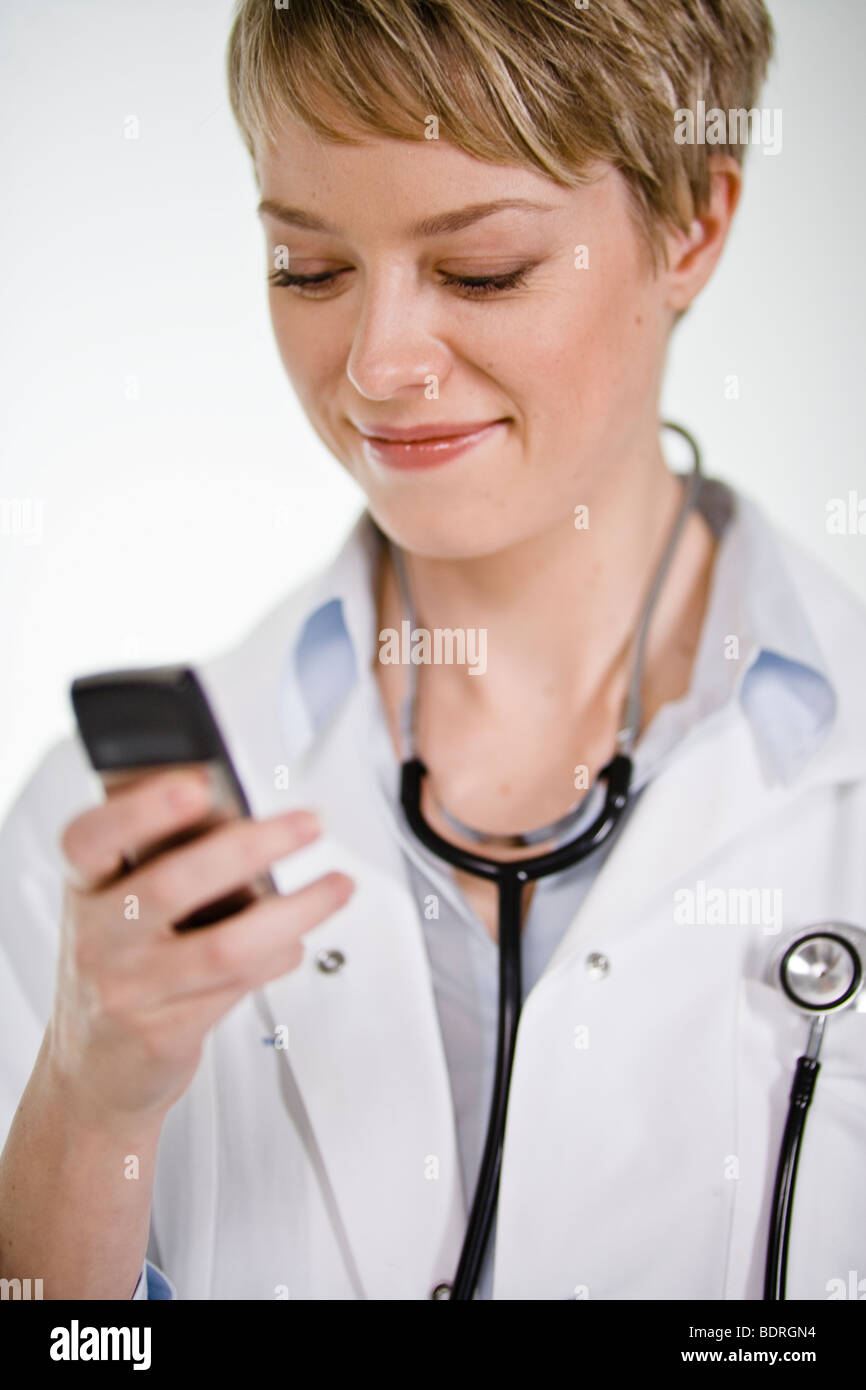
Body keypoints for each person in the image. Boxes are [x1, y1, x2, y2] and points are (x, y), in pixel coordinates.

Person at [1, 0, 865, 1302]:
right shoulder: (101, 831)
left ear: (692, 225)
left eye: (481, 270)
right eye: (308, 266)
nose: (373, 365)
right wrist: (88, 1099)